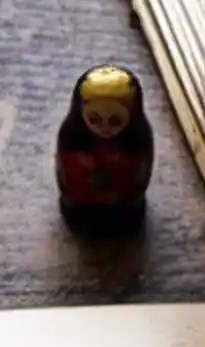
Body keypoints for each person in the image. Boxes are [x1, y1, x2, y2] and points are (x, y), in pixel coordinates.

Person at [55, 64, 155, 238]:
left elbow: (140, 175)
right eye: (94, 119)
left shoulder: (138, 140)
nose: (105, 128)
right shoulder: (70, 137)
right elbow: (65, 176)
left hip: (123, 208)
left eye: (115, 121)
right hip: (82, 207)